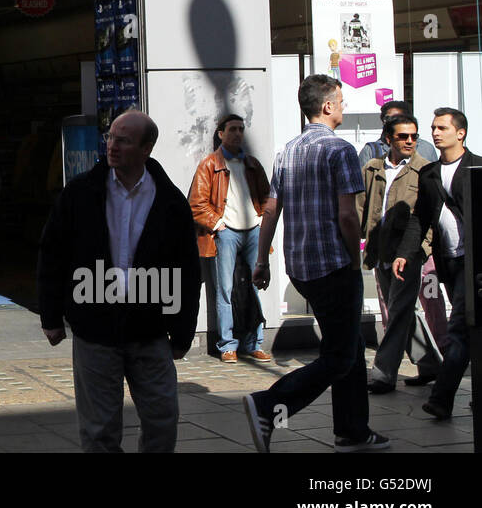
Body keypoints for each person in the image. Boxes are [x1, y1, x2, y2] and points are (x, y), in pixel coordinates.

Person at [38, 110, 200, 452]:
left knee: (162, 420)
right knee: (99, 431)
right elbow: (53, 254)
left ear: (147, 148)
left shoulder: (170, 202)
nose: (112, 146)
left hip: (150, 331)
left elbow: (187, 269)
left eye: (123, 140)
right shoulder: (80, 193)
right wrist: (51, 317)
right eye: (110, 137)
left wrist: (183, 333)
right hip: (95, 330)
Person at [244, 75, 391, 453]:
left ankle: (352, 430)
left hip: (302, 266)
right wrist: (354, 258)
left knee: (350, 346)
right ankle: (269, 405)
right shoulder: (340, 150)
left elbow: (271, 210)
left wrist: (262, 261)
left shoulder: (288, 150)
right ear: (327, 106)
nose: (342, 107)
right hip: (333, 266)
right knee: (340, 355)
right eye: (340, 101)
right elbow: (347, 216)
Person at [358, 114, 440, 393]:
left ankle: (383, 374)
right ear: (388, 139)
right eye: (403, 136)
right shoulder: (372, 168)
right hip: (380, 252)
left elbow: (430, 217)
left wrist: (421, 249)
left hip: (409, 254)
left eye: (414, 136)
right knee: (404, 311)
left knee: (398, 312)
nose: (410, 141)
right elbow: (361, 209)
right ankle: (431, 365)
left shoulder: (426, 170)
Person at [408, 108, 479, 420]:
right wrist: (406, 253)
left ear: (460, 133)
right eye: (433, 128)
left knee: (459, 329)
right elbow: (421, 219)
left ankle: (441, 398)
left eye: (442, 128)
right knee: (473, 330)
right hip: (447, 260)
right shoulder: (430, 173)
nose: (435, 133)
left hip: (473, 262)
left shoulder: (477, 167)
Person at [187, 113, 271, 363]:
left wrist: (261, 221)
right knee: (224, 290)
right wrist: (219, 225)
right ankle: (227, 345)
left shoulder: (252, 164)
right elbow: (196, 204)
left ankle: (254, 343)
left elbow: (268, 197)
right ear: (221, 134)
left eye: (240, 129)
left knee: (255, 287)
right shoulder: (209, 164)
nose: (237, 133)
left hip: (253, 230)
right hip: (226, 233)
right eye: (232, 129)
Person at [358, 100, 437, 168]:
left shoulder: (426, 149)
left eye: (397, 118)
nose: (391, 122)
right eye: (388, 118)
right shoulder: (371, 151)